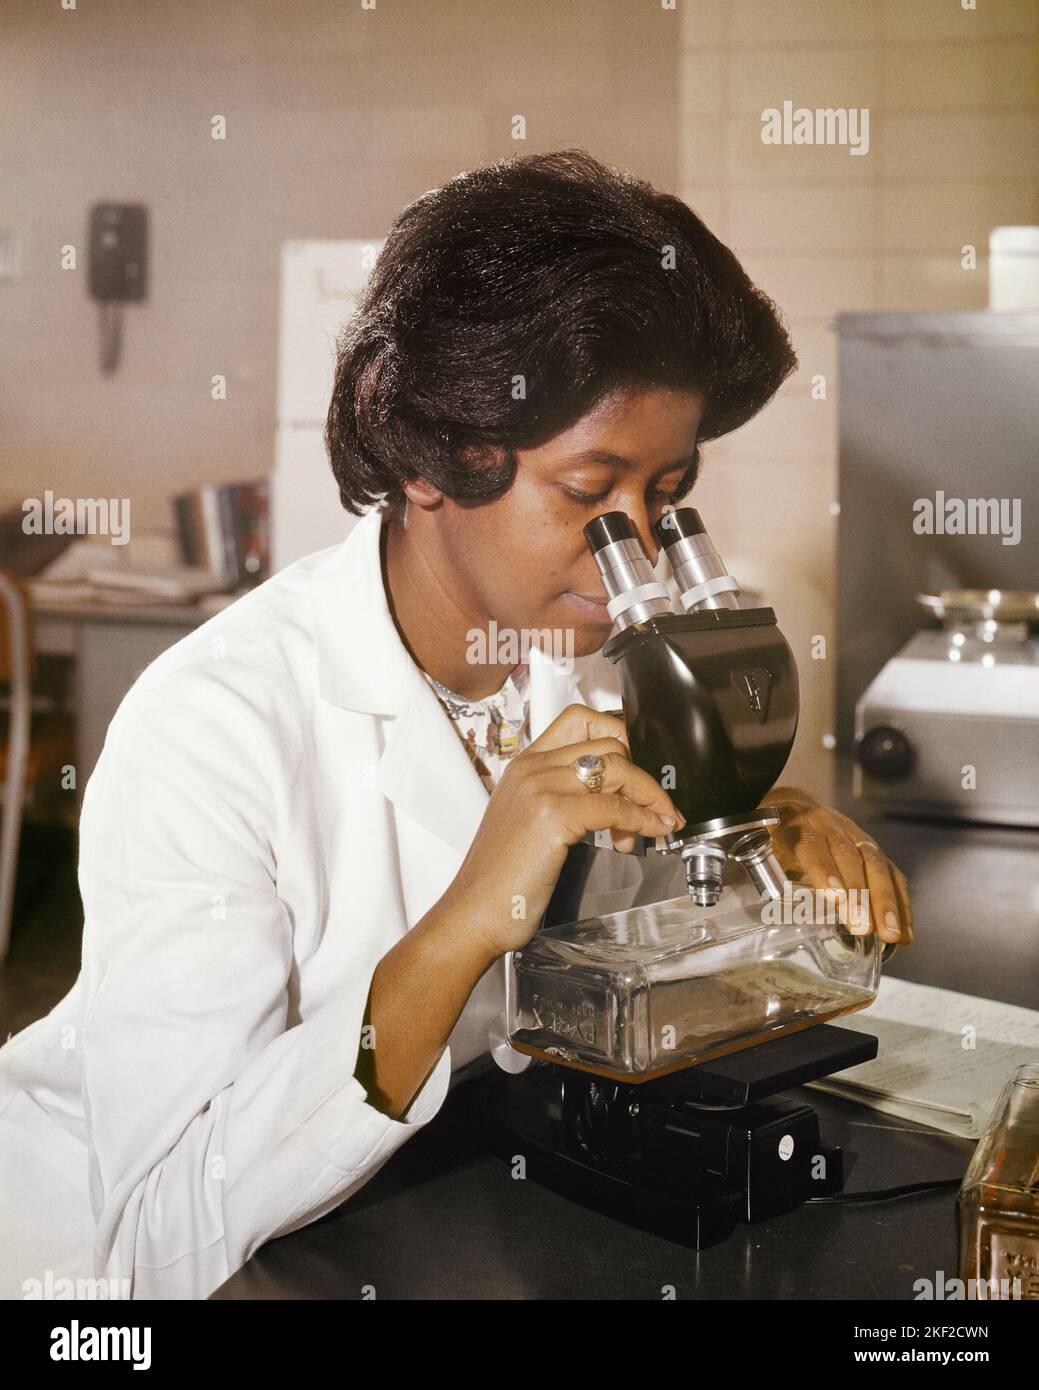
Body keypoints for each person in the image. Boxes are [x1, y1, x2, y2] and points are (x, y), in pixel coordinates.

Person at [0, 149, 912, 1301]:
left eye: (665, 497)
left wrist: (754, 839)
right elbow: (159, 1234)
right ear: (434, 457)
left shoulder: (568, 669)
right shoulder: (212, 728)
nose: (628, 552)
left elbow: (606, 963)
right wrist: (462, 924)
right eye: (588, 494)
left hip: (432, 1204)